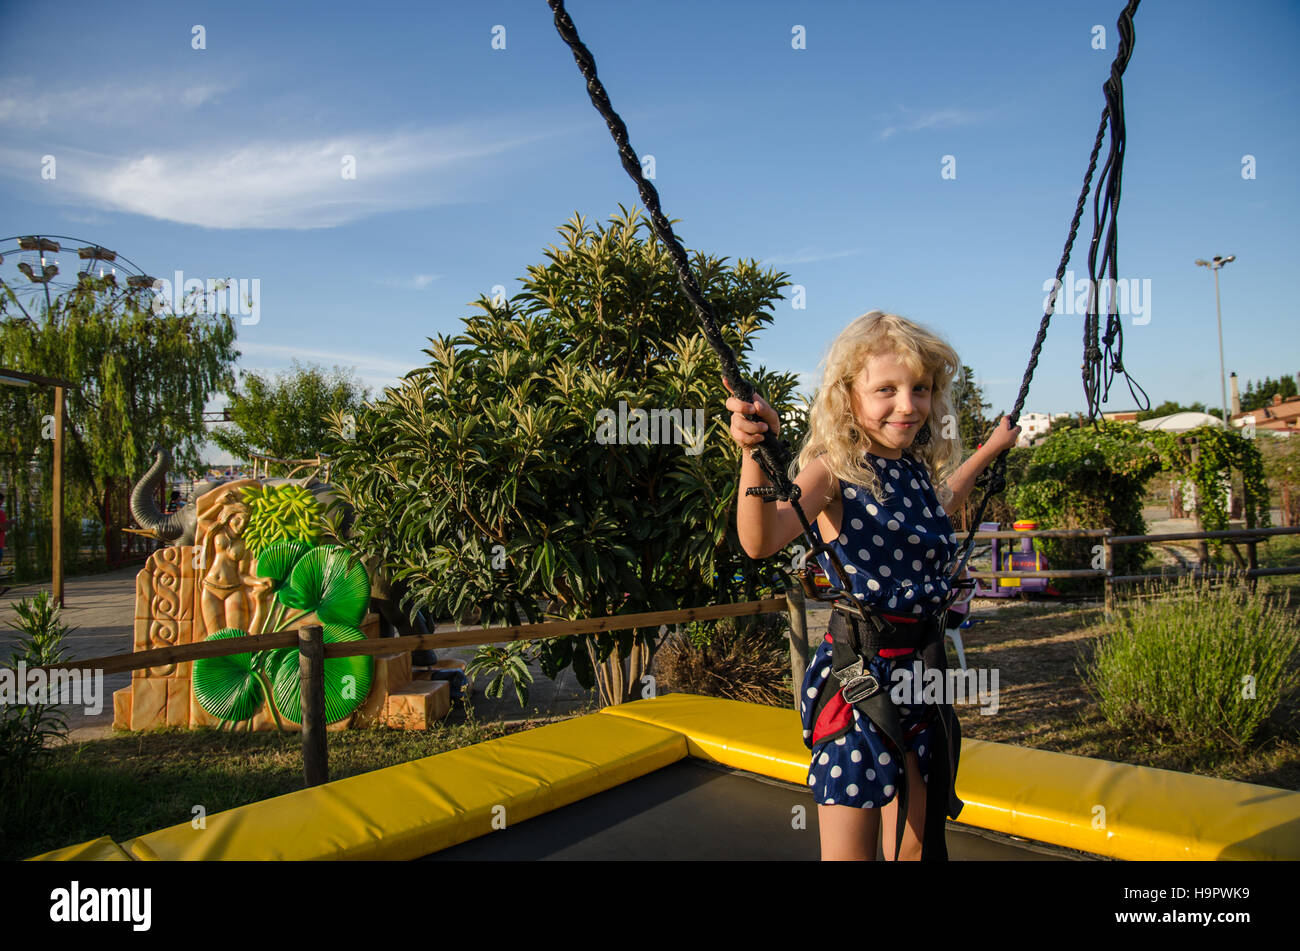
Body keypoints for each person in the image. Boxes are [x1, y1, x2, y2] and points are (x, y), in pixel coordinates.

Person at [726, 311, 1019, 861]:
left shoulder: (913, 473)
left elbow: (943, 500)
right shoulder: (832, 470)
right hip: (861, 676)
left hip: (921, 673)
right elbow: (762, 539)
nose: (907, 405)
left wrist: (988, 450)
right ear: (847, 396)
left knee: (915, 848)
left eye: (921, 390)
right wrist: (753, 453)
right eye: (886, 389)